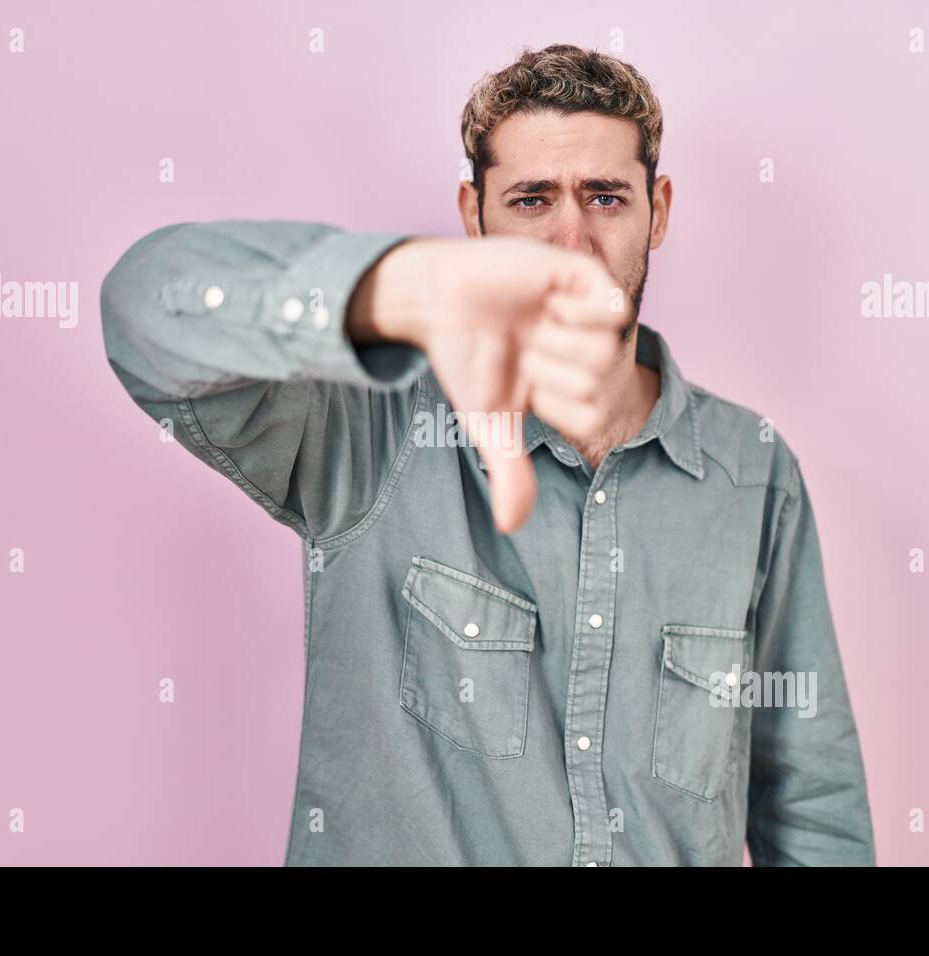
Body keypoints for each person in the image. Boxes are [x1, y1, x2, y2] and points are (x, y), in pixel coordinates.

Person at [99, 43, 876, 866]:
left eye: (606, 197)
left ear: (660, 208)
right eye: (532, 199)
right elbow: (145, 311)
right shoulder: (369, 423)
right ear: (474, 216)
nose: (571, 244)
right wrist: (391, 288)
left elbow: (811, 802)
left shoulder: (754, 472)